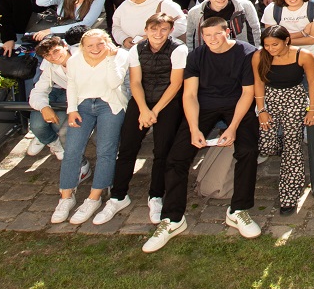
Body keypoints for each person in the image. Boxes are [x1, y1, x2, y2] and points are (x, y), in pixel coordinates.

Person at [144, 17, 261, 252]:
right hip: (204, 106)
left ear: (228, 32)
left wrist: (232, 127)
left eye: (217, 34)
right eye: (207, 35)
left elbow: (247, 93)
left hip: (236, 105)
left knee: (247, 151)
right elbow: (189, 95)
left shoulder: (247, 53)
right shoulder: (196, 55)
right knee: (176, 157)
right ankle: (173, 219)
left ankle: (238, 210)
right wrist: (194, 128)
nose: (212, 39)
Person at [34, 31, 131, 226]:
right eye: (90, 45)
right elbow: (72, 85)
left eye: (100, 44)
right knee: (72, 149)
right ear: (82, 46)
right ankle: (66, 197)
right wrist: (72, 109)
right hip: (83, 105)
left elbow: (114, 83)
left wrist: (110, 59)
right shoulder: (74, 60)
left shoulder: (120, 55)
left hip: (110, 104)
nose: (95, 49)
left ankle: (94, 198)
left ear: (108, 43)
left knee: (106, 150)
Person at [105, 13, 188, 224]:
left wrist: (155, 111)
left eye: (163, 29)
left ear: (170, 30)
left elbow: (176, 84)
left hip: (167, 103)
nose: (158, 33)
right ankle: (118, 195)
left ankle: (156, 195)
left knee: (162, 151)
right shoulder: (137, 49)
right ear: (146, 30)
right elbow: (135, 82)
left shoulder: (178, 49)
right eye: (153, 29)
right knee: (127, 147)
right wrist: (143, 109)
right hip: (142, 100)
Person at [251, 24, 314, 214]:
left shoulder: (303, 56)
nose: (270, 49)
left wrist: (312, 109)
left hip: (294, 99)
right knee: (266, 145)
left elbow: (312, 82)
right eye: (267, 45)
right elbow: (258, 82)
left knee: (293, 147)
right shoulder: (259, 56)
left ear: (286, 41)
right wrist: (261, 109)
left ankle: (290, 194)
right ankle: (283, 144)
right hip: (270, 99)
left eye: (275, 45)